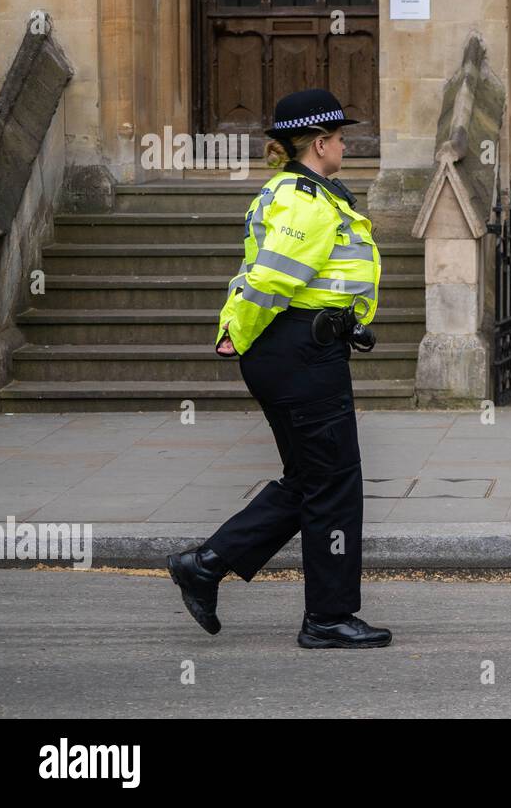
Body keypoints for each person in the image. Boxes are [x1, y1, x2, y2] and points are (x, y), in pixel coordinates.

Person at [167, 88, 390, 649]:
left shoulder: (305, 191)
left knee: (312, 479)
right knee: (336, 485)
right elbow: (270, 278)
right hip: (300, 355)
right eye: (340, 137)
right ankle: (328, 618)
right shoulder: (306, 201)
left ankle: (206, 564)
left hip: (299, 351)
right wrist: (235, 335)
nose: (345, 144)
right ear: (320, 143)